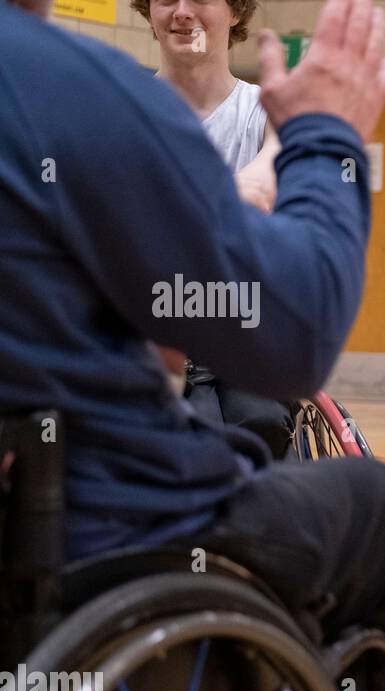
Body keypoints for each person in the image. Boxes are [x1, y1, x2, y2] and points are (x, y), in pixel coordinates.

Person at [0, 0, 385, 691]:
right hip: (84, 556)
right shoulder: (69, 88)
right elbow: (293, 334)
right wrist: (328, 142)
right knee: (380, 511)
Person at [134, 0, 296, 459]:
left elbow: (282, 151)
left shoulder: (265, 112)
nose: (182, 12)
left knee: (260, 423)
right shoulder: (121, 113)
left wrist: (263, 174)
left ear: (236, 11)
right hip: (154, 346)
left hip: (244, 346)